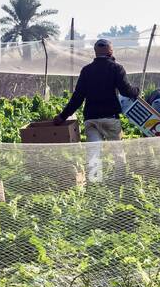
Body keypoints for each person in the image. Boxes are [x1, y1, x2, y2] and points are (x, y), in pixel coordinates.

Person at [52, 38, 139, 180]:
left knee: (93, 153)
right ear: (111, 52)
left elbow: (77, 98)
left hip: (91, 119)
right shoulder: (116, 68)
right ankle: (121, 180)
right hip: (110, 118)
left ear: (95, 52)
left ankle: (94, 182)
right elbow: (126, 91)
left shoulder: (86, 70)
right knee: (117, 152)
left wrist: (62, 116)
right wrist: (136, 91)